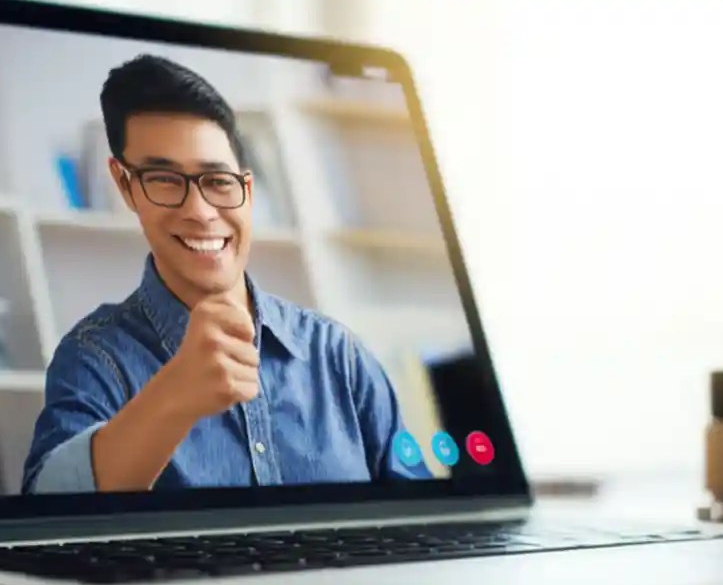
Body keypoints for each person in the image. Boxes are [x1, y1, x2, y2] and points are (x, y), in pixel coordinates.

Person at [22, 54, 431, 493]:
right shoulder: (94, 357)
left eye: (218, 182)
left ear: (247, 191)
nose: (200, 212)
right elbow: (47, 507)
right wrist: (173, 396)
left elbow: (422, 513)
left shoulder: (339, 356)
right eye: (164, 179)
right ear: (126, 187)